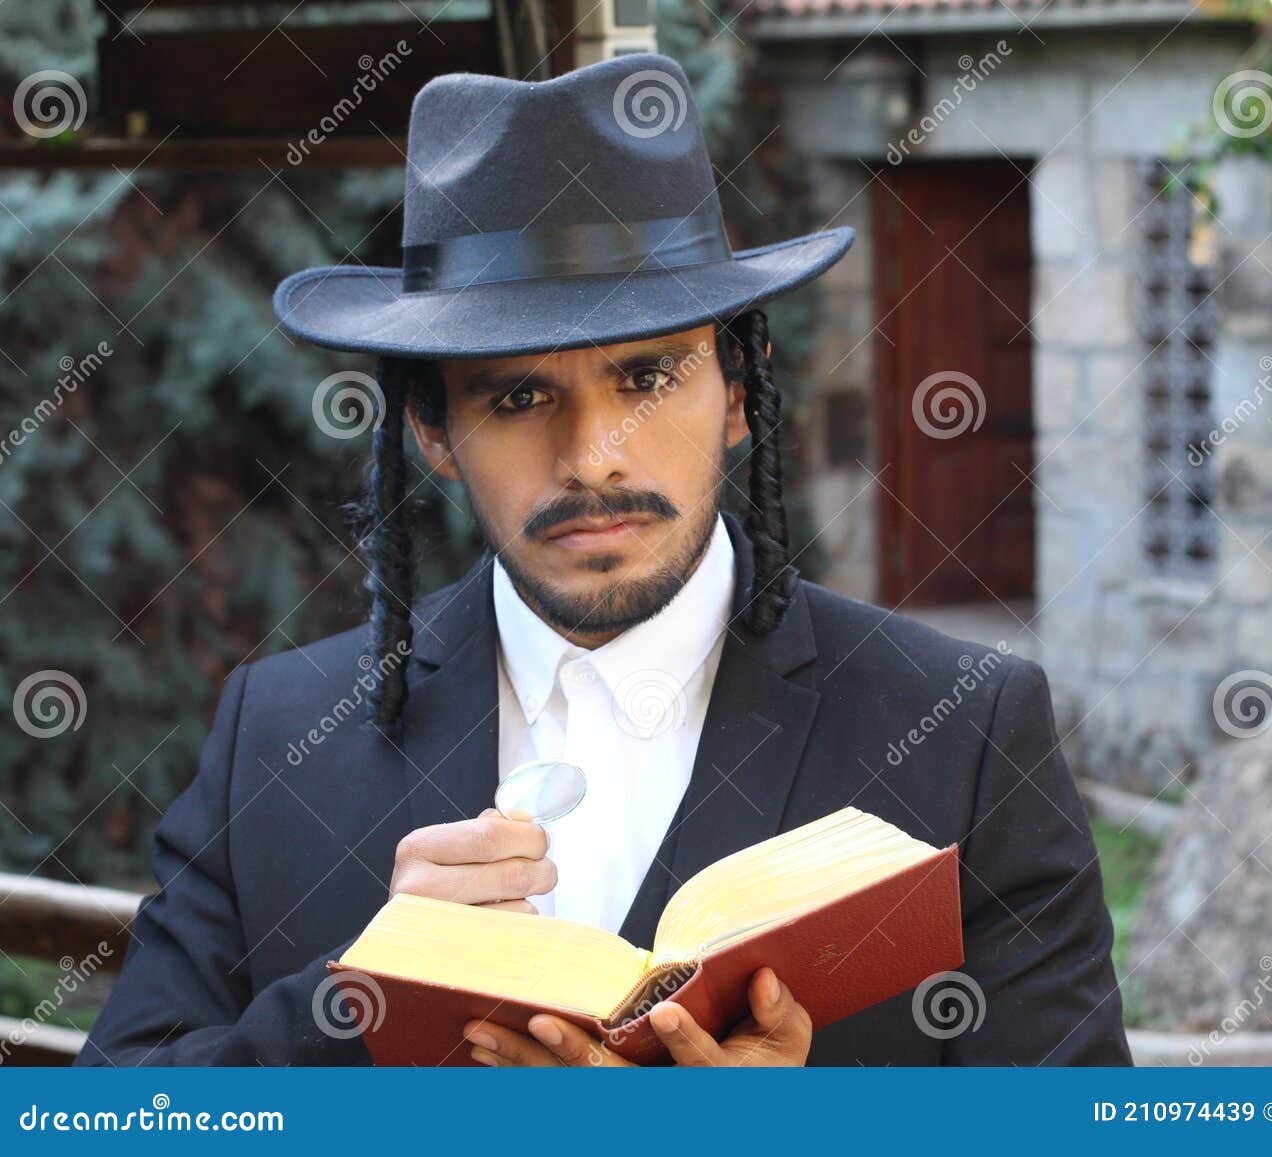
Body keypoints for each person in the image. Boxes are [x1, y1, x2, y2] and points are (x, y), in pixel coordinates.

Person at [79, 52, 1129, 1067]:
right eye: (518, 396)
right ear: (433, 430)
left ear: (737, 390)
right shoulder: (279, 734)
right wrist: (354, 1003)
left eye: (647, 378)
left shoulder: (961, 733)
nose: (592, 460)